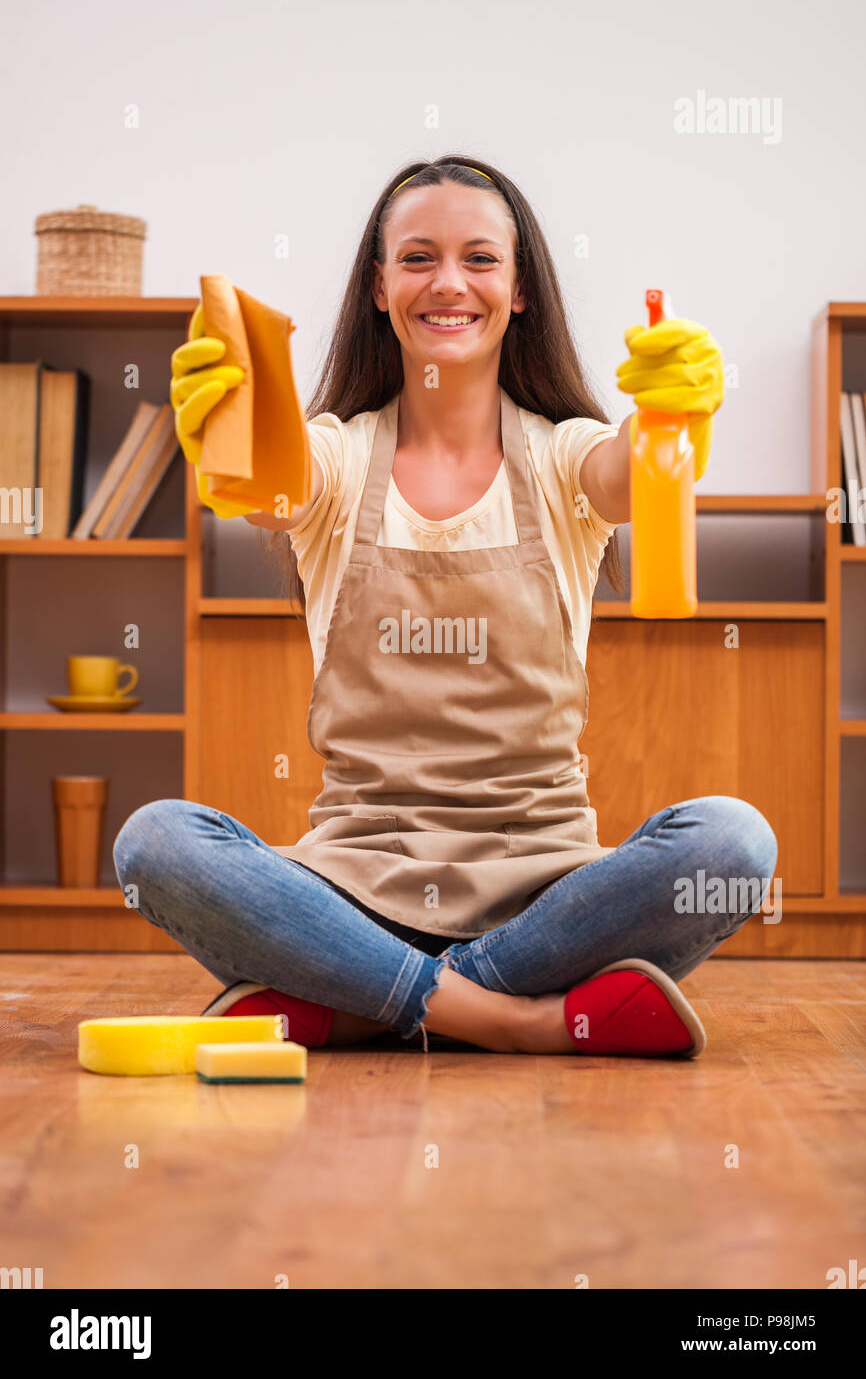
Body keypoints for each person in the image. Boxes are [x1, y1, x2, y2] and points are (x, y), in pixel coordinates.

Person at [112, 155, 777, 1058]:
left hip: (544, 885)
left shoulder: (561, 459)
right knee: (155, 844)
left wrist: (675, 419)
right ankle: (515, 1018)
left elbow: (630, 471)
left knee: (735, 845)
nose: (449, 283)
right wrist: (231, 427)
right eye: (417, 258)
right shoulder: (338, 459)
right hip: (352, 882)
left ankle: (366, 1002)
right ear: (380, 289)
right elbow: (276, 487)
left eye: (480, 258)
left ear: (521, 289)